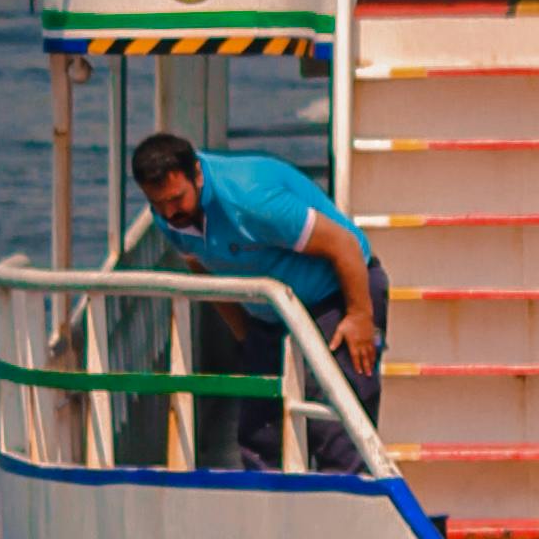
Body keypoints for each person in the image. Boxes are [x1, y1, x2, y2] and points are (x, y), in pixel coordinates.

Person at [131, 131, 388, 471]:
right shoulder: (170, 218)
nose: (169, 212)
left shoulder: (251, 199)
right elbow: (201, 265)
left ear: (197, 175)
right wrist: (244, 331)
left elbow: (344, 245)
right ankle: (270, 500)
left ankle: (346, 498)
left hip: (335, 294)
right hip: (270, 312)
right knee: (260, 432)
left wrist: (359, 316)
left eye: (177, 199)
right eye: (158, 203)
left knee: (335, 428)